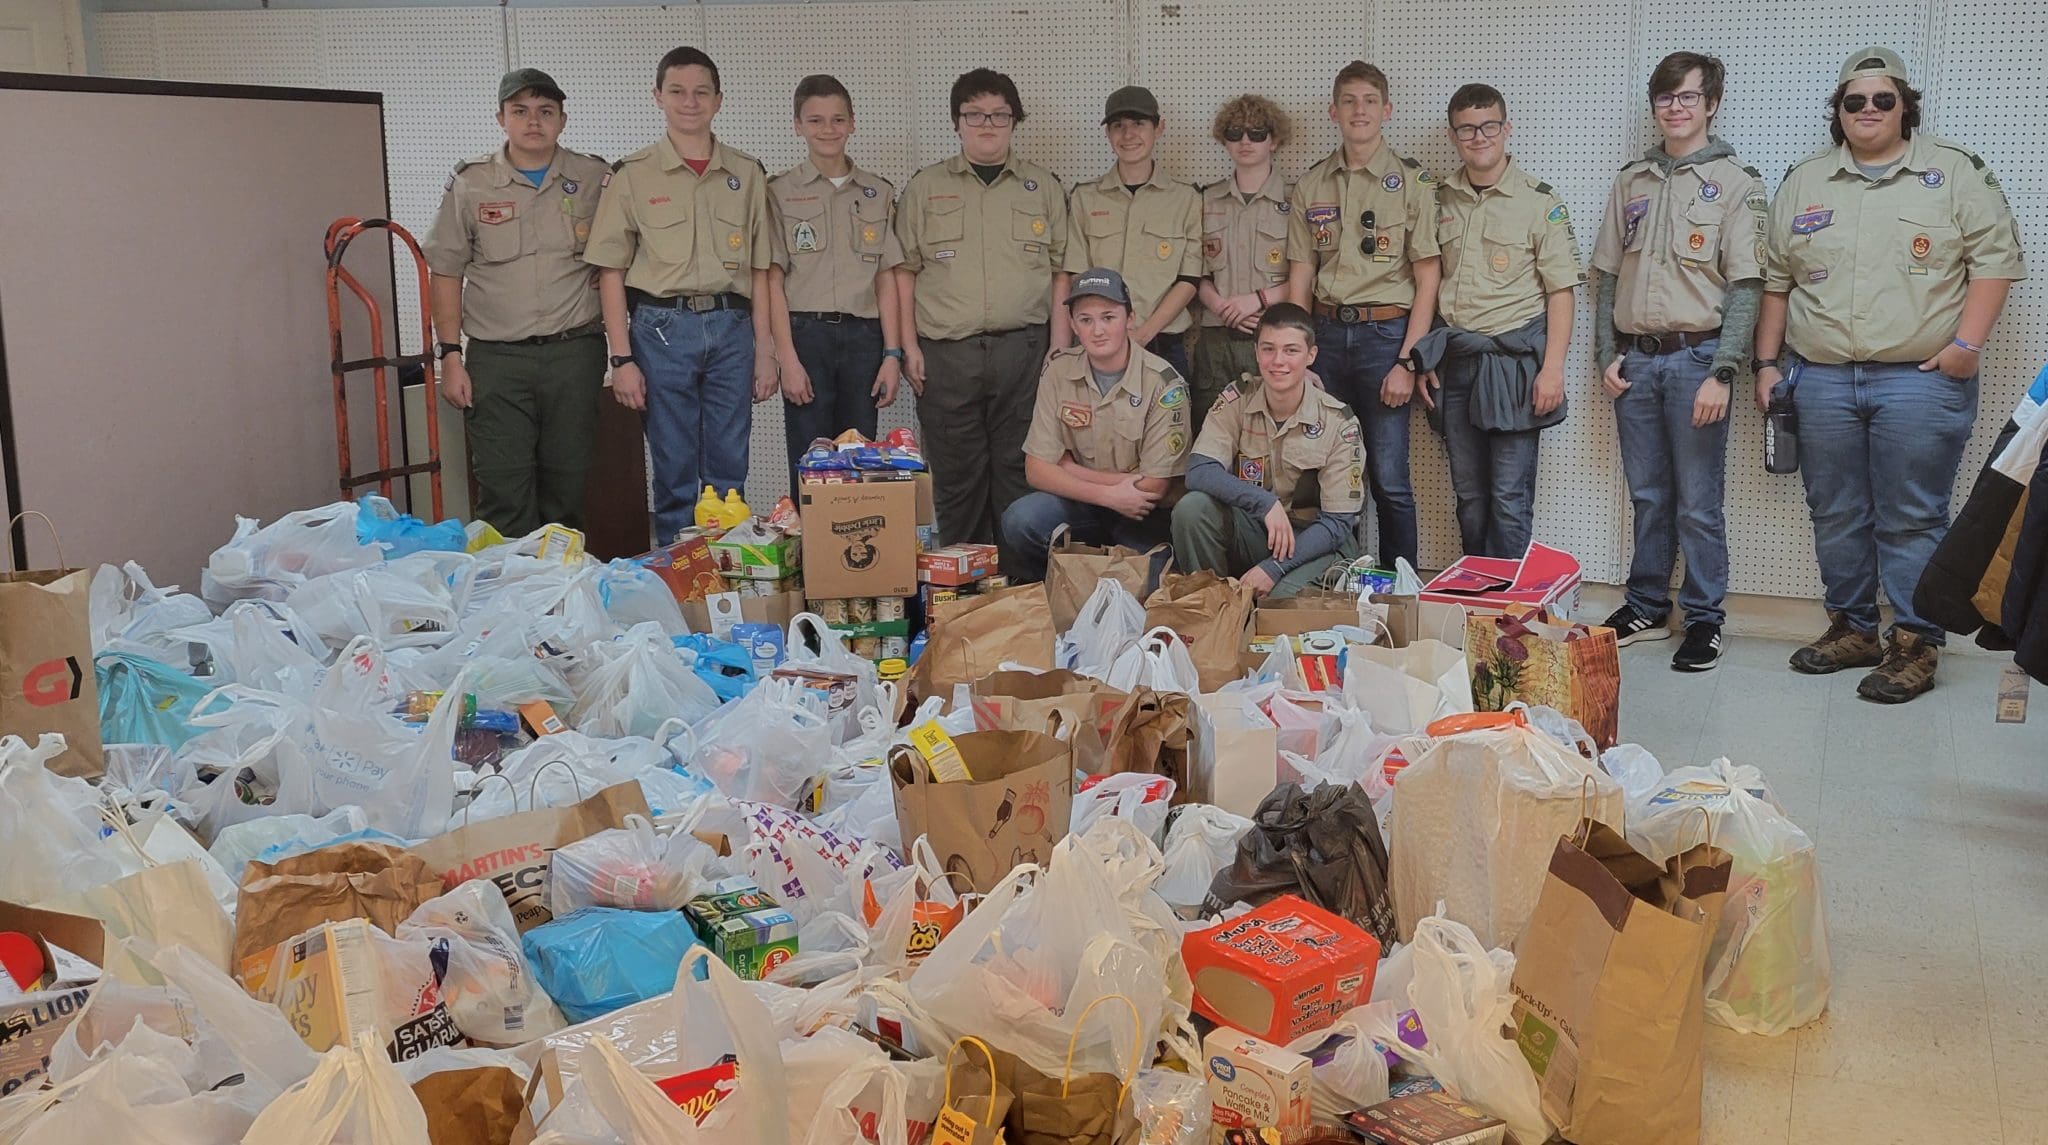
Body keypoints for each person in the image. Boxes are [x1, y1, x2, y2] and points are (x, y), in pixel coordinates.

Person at [1755, 46, 2025, 703]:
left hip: (1919, 381)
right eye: (1855, 100)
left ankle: (1915, 643)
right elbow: (1777, 282)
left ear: (1905, 106)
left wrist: (1966, 345)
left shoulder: (1953, 172)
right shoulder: (1806, 181)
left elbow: (1995, 261)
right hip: (1820, 379)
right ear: (1839, 111)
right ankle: (1853, 628)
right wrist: (1765, 364)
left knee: (1911, 516)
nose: (1869, 109)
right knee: (1835, 511)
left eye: (1883, 98)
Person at [1589, 52, 1765, 673]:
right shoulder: (1631, 181)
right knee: (1648, 495)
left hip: (1697, 361)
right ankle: (1645, 605)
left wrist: (1724, 370)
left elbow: (1746, 286)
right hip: (1636, 362)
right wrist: (1606, 353)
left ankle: (1704, 618)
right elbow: (1607, 276)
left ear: (1711, 104)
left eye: (1689, 97)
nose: (1676, 107)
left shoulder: (1736, 183)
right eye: (1665, 97)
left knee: (1697, 500)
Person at [583, 46, 775, 543]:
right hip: (661, 330)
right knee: (673, 469)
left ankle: (728, 572)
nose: (690, 102)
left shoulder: (747, 173)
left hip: (733, 328)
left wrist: (766, 352)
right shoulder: (633, 174)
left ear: (718, 100)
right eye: (677, 91)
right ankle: (678, 574)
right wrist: (621, 358)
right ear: (658, 97)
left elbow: (760, 270)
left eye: (701, 92)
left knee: (730, 469)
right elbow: (610, 271)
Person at [423, 69, 610, 539]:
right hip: (497, 360)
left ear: (562, 120)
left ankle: (562, 585)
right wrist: (450, 356)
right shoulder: (472, 183)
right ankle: (507, 584)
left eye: (546, 111)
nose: (533, 122)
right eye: (520, 111)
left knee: (567, 490)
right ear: (501, 119)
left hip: (574, 354)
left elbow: (621, 259)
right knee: (503, 491)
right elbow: (446, 270)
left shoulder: (593, 178)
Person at [895, 69, 1069, 552]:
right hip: (946, 356)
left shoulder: (1042, 187)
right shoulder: (925, 188)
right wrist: (908, 347)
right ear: (957, 122)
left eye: (999, 115)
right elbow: (904, 271)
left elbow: (1062, 271)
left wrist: (1059, 346)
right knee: (957, 477)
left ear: (1014, 121)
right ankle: (964, 582)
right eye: (975, 115)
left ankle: (1018, 583)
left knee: (1021, 472)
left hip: (1025, 352)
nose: (987, 125)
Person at [1413, 83, 1583, 560]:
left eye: (1489, 126)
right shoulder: (1437, 199)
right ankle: (1476, 589)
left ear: (1506, 129)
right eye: (1467, 129)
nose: (1479, 137)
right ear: (1453, 136)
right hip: (1456, 363)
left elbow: (1561, 292)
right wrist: (1422, 358)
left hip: (1513, 367)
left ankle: (1509, 598)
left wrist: (1553, 370)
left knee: (1509, 496)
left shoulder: (1538, 202)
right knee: (1469, 496)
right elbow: (1427, 282)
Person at [1285, 61, 1440, 571]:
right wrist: (1299, 354)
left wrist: (1408, 361)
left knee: (1390, 479)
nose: (1359, 111)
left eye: (1370, 101)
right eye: (1348, 101)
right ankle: (1333, 583)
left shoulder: (1412, 182)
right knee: (1328, 474)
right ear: (1333, 112)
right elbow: (1302, 273)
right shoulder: (1312, 184)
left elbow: (1428, 277)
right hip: (1325, 337)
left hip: (1385, 338)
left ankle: (1400, 589)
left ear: (1387, 110)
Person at [1001, 267, 1190, 583]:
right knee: (1021, 520)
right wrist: (1109, 494)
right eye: (1086, 320)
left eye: (1108, 317)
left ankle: (1088, 579)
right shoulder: (1058, 372)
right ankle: (1056, 589)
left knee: (1144, 583)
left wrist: (1068, 468)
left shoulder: (1163, 383)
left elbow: (1153, 486)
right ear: (1073, 325)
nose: (1098, 330)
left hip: (1144, 516)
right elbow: (1036, 470)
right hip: (1086, 506)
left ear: (1129, 319)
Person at [764, 75, 907, 492]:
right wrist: (786, 358)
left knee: (859, 457)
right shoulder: (779, 192)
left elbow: (886, 276)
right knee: (810, 459)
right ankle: (809, 535)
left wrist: (892, 354)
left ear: (852, 123)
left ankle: (855, 532)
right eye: (816, 120)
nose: (828, 129)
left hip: (864, 338)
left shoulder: (877, 192)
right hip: (806, 337)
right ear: (797, 126)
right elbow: (772, 279)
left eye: (838, 119)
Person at [1173, 303, 1365, 598]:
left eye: (1291, 350)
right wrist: (1264, 503)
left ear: (1311, 355)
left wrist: (1274, 568)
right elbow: (1199, 470)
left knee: (1279, 602)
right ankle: (1211, 606)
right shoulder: (1237, 399)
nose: (1278, 361)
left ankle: (1261, 602)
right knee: (1192, 509)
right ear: (1256, 352)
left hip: (1315, 541)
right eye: (1268, 349)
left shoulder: (1339, 422)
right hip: (1257, 529)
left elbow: (1337, 523)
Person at [1061, 86, 1202, 383]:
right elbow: (1077, 275)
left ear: (1159, 128)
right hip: (1099, 345)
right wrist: (1110, 333)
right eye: (1118, 126)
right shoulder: (1086, 198)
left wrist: (1142, 335)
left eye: (1138, 123)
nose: (1128, 135)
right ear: (1107, 133)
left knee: (1170, 416)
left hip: (1162, 343)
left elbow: (1189, 279)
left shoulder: (1186, 199)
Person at [1194, 94, 1294, 435]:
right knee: (1210, 435)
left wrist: (1258, 300)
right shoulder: (1205, 200)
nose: (1245, 141)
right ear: (1224, 140)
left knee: (1270, 437)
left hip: (1273, 339)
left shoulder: (1296, 200)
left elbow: (1309, 274)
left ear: (1274, 140)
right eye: (1235, 133)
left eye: (1257, 132)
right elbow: (1196, 272)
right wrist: (1222, 307)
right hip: (1215, 341)